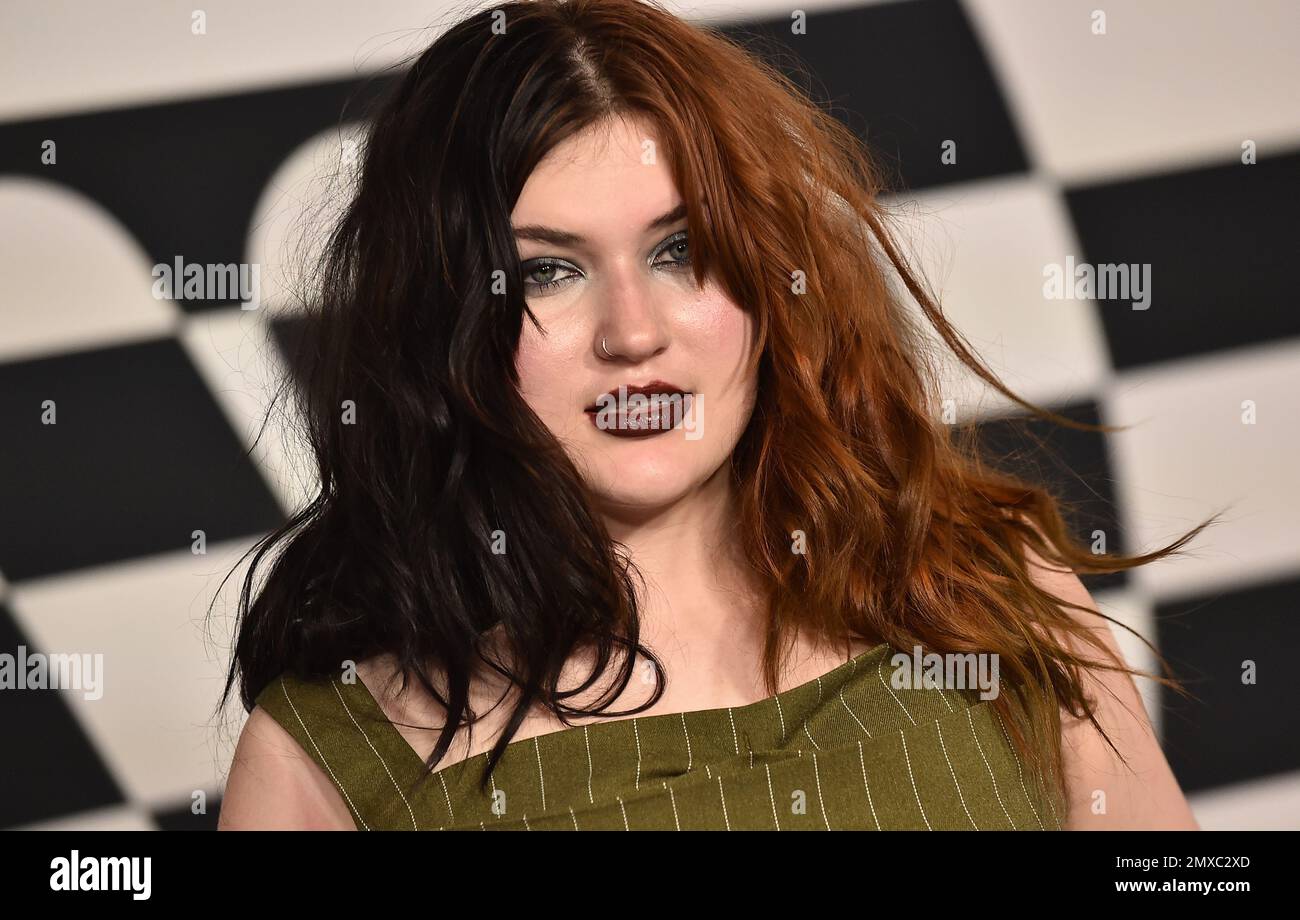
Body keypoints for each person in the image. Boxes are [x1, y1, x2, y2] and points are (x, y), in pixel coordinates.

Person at [217, 0, 1212, 830]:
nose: (633, 332)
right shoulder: (333, 755)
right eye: (548, 270)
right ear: (445, 318)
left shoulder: (990, 594)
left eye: (679, 250)